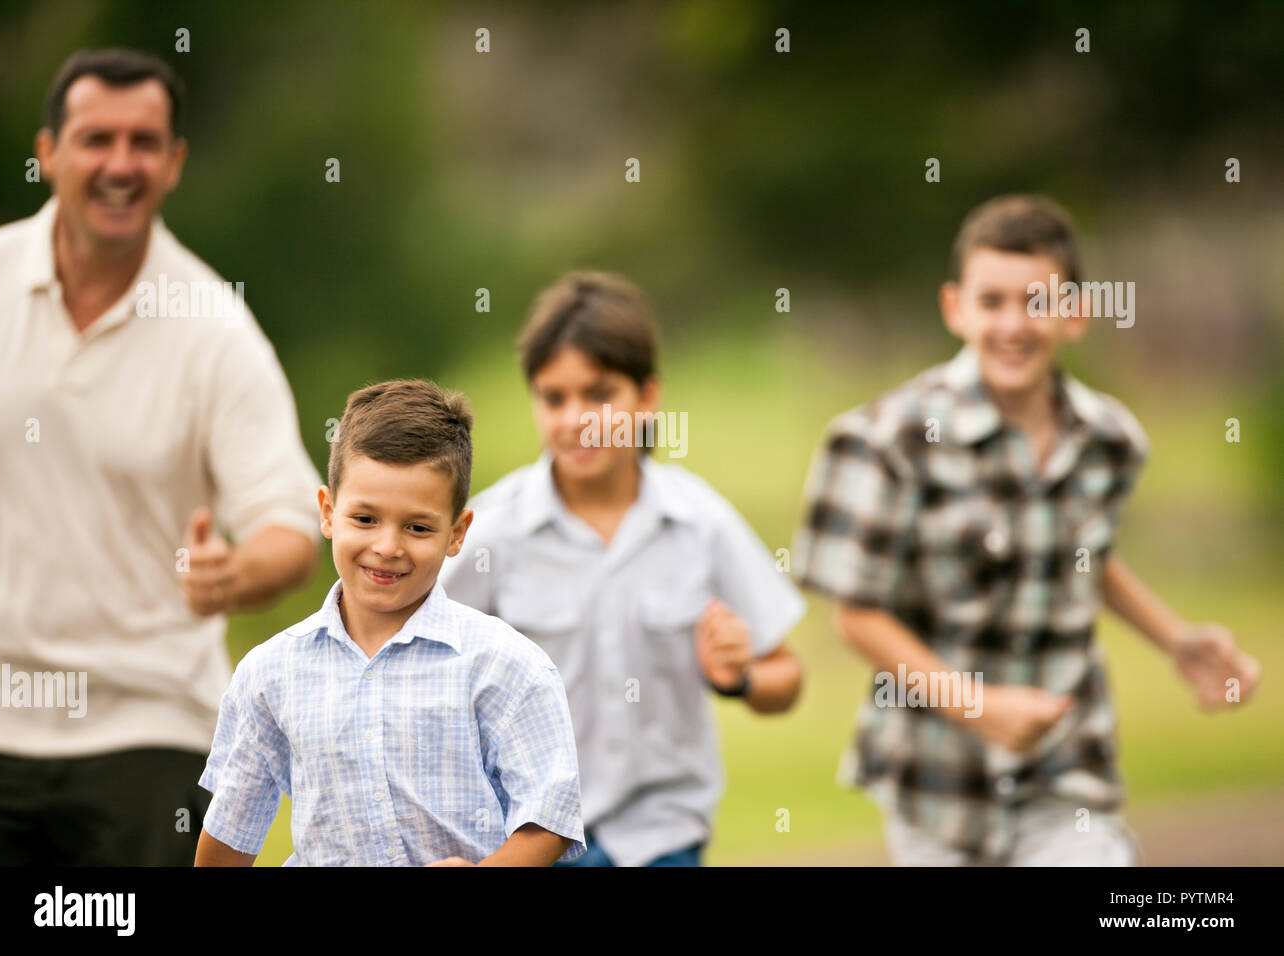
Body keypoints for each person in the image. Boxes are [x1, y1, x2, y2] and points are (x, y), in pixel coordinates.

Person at [791, 194, 1262, 866]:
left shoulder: (1110, 440)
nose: (1013, 324)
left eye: (1036, 301)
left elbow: (1084, 558)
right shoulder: (886, 439)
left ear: (1075, 311)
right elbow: (856, 616)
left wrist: (1177, 640)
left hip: (1066, 767)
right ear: (955, 307)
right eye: (992, 302)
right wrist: (979, 707)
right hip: (938, 783)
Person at [0, 48, 321, 865]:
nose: (120, 164)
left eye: (145, 144)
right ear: (49, 154)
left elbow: (295, 526)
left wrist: (233, 576)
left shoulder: (215, 330)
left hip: (152, 725)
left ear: (173, 164)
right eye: (98, 139)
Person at [438, 271, 806, 867]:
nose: (576, 417)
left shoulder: (699, 523)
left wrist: (738, 677)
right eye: (554, 397)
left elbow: (785, 675)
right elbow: (419, 659)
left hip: (662, 840)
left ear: (648, 396)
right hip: (522, 839)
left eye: (600, 393)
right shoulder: (493, 533)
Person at [195, 380, 585, 866]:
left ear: (457, 533)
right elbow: (231, 828)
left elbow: (548, 819)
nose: (387, 546)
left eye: (418, 527)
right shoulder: (268, 675)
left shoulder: (506, 666)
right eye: (364, 519)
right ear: (328, 512)